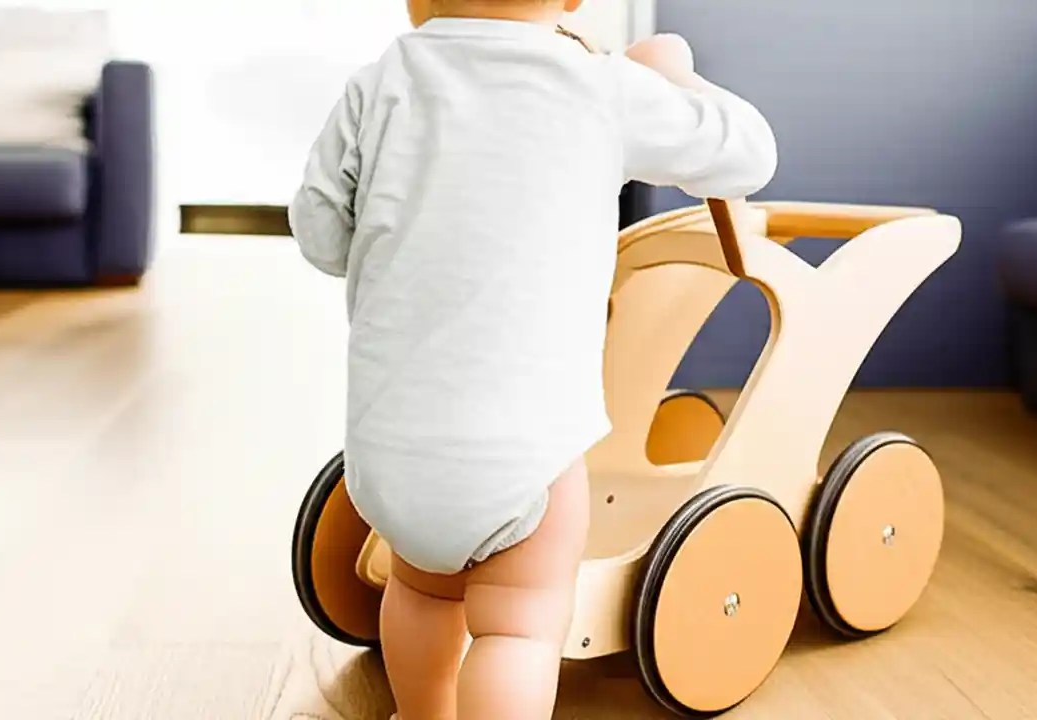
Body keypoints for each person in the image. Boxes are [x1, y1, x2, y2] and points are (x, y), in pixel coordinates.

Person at [289, 1, 777, 717]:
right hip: (526, 457)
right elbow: (749, 154)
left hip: (390, 449)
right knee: (517, 628)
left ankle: (421, 712)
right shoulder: (600, 85)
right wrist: (678, 78)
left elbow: (320, 235)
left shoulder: (380, 82)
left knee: (421, 593)